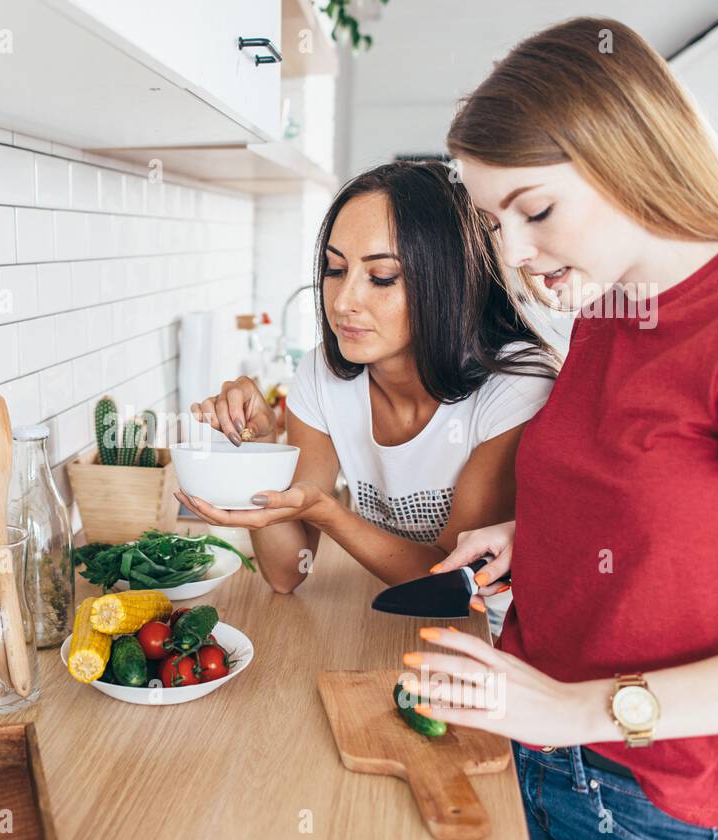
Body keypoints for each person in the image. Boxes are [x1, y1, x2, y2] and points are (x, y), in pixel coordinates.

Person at [420, 16, 718, 840]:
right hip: (534, 757)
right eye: (493, 223)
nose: (513, 254)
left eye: (536, 210)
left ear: (628, 152)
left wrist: (575, 710)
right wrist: (537, 538)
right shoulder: (608, 309)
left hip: (666, 820)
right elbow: (679, 517)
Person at [177, 161, 559, 635]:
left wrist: (327, 513)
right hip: (394, 625)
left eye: (381, 277)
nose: (341, 302)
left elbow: (451, 582)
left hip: (493, 637)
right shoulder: (323, 373)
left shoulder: (516, 386)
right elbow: (285, 573)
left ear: (449, 283)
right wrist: (262, 450)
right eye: (335, 269)